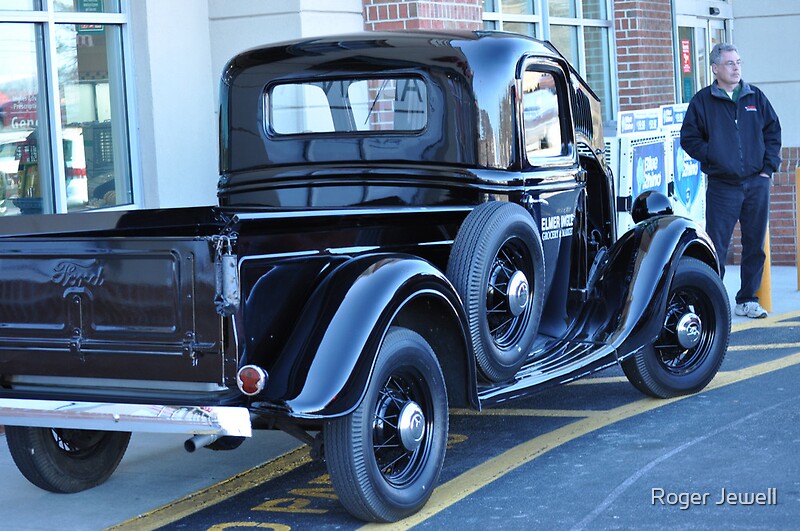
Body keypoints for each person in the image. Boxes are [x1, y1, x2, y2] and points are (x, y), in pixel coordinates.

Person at [680, 43, 782, 319]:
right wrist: (714, 157)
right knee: (716, 246)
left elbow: (773, 131)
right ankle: (712, 303)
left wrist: (768, 169)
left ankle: (747, 299)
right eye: (729, 63)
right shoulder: (703, 101)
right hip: (722, 186)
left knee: (754, 245)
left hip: (756, 183)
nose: (736, 68)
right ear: (715, 68)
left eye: (738, 62)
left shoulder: (754, 97)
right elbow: (688, 139)